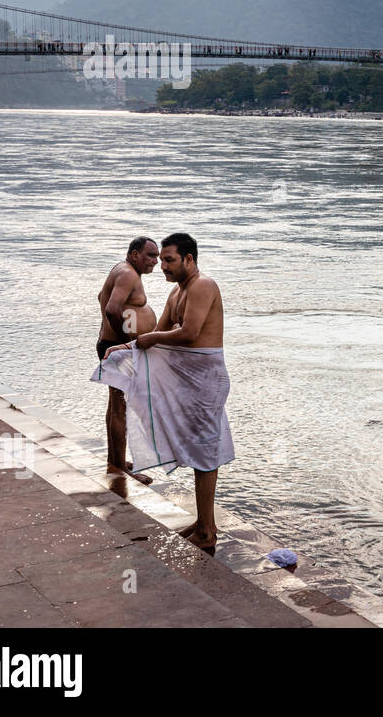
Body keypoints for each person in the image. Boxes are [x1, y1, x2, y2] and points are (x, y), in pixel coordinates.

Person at [102, 233, 231, 550]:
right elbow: (158, 332)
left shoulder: (204, 285)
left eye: (169, 260)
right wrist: (127, 346)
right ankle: (204, 523)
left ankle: (206, 530)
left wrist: (147, 340)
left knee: (204, 452)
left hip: (205, 379)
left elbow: (189, 333)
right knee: (197, 449)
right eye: (160, 261)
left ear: (189, 259)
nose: (162, 267)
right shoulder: (177, 292)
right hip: (186, 378)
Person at [96, 236, 159, 484]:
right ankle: (121, 468)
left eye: (157, 256)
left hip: (111, 346)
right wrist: (126, 340)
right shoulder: (128, 274)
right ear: (134, 254)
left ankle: (116, 459)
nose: (156, 261)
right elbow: (112, 308)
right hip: (118, 349)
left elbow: (100, 295)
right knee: (120, 407)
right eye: (150, 255)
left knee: (115, 405)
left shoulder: (121, 270)